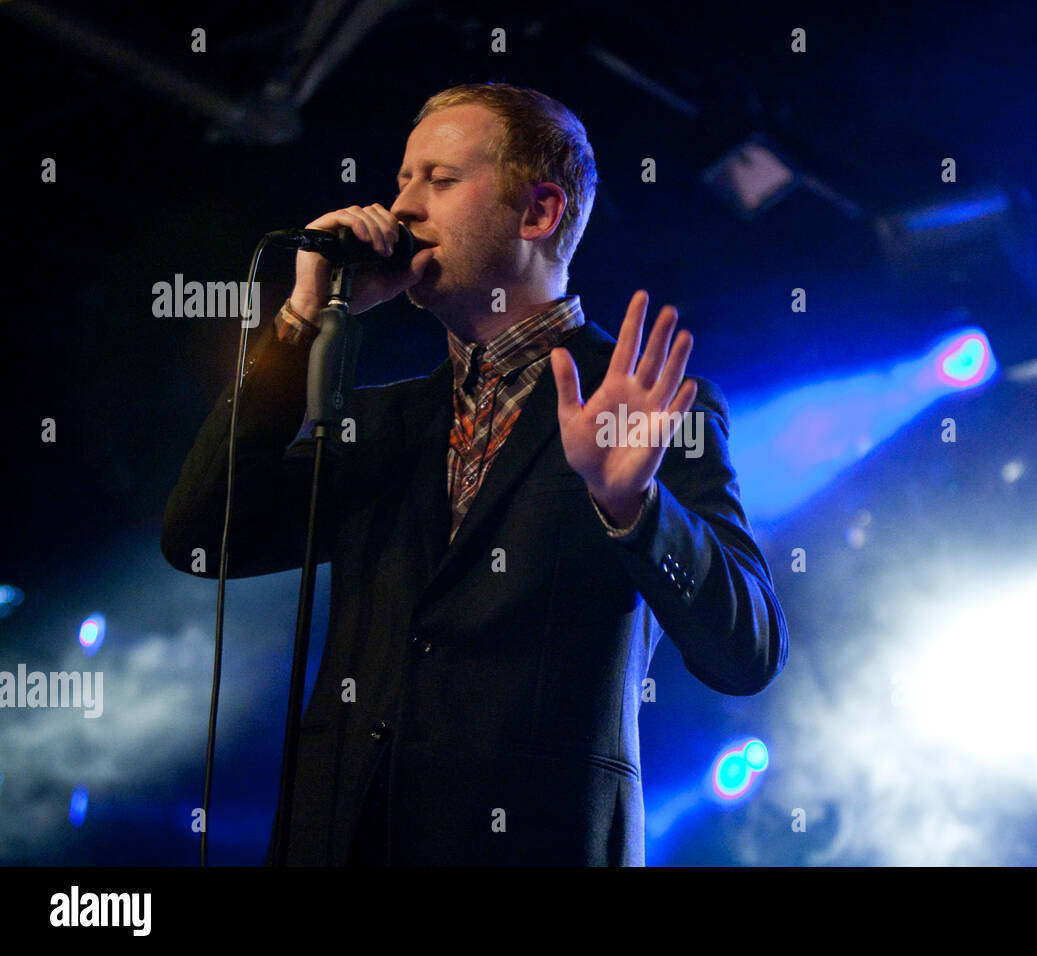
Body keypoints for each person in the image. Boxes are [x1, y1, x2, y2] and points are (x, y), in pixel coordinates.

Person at [161, 81, 788, 865]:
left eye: (440, 180)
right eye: (401, 179)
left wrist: (634, 504)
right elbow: (201, 540)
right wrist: (299, 324)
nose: (401, 209)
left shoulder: (649, 406)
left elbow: (748, 651)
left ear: (539, 212)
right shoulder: (383, 421)